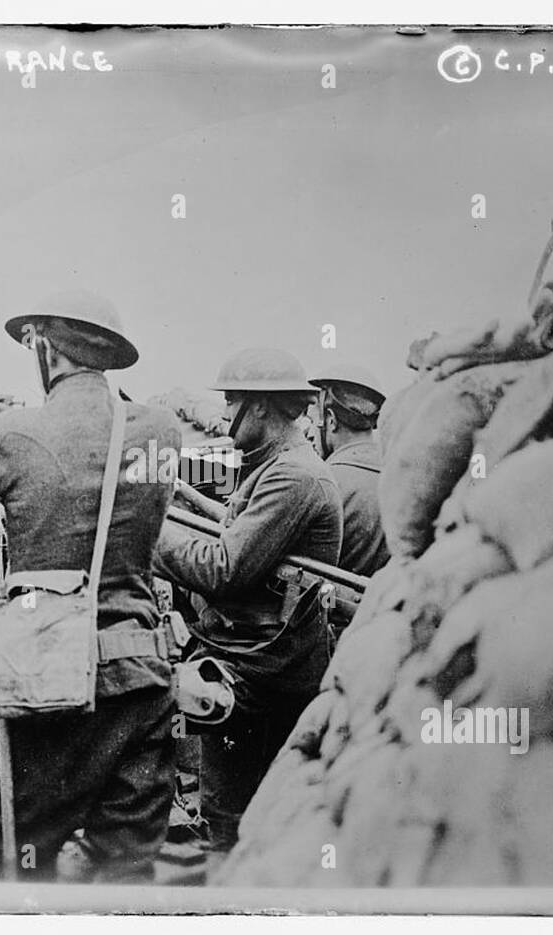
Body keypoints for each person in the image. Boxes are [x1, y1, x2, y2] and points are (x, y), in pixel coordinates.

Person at [0, 289, 184, 884]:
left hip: (56, 681)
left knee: (9, 856)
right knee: (126, 866)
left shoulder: (16, 432)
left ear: (46, 347)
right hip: (146, 674)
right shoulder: (161, 431)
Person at [153, 347, 343, 859]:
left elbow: (224, 567)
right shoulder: (277, 469)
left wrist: (145, 535)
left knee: (233, 820)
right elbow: (238, 534)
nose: (225, 412)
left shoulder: (294, 477)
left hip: (263, 673)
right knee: (237, 814)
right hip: (257, 662)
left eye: (232, 399)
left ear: (260, 407)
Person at [308, 363, 390, 578]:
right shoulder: (400, 478)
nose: (309, 433)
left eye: (313, 421)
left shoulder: (323, 481)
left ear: (332, 421)